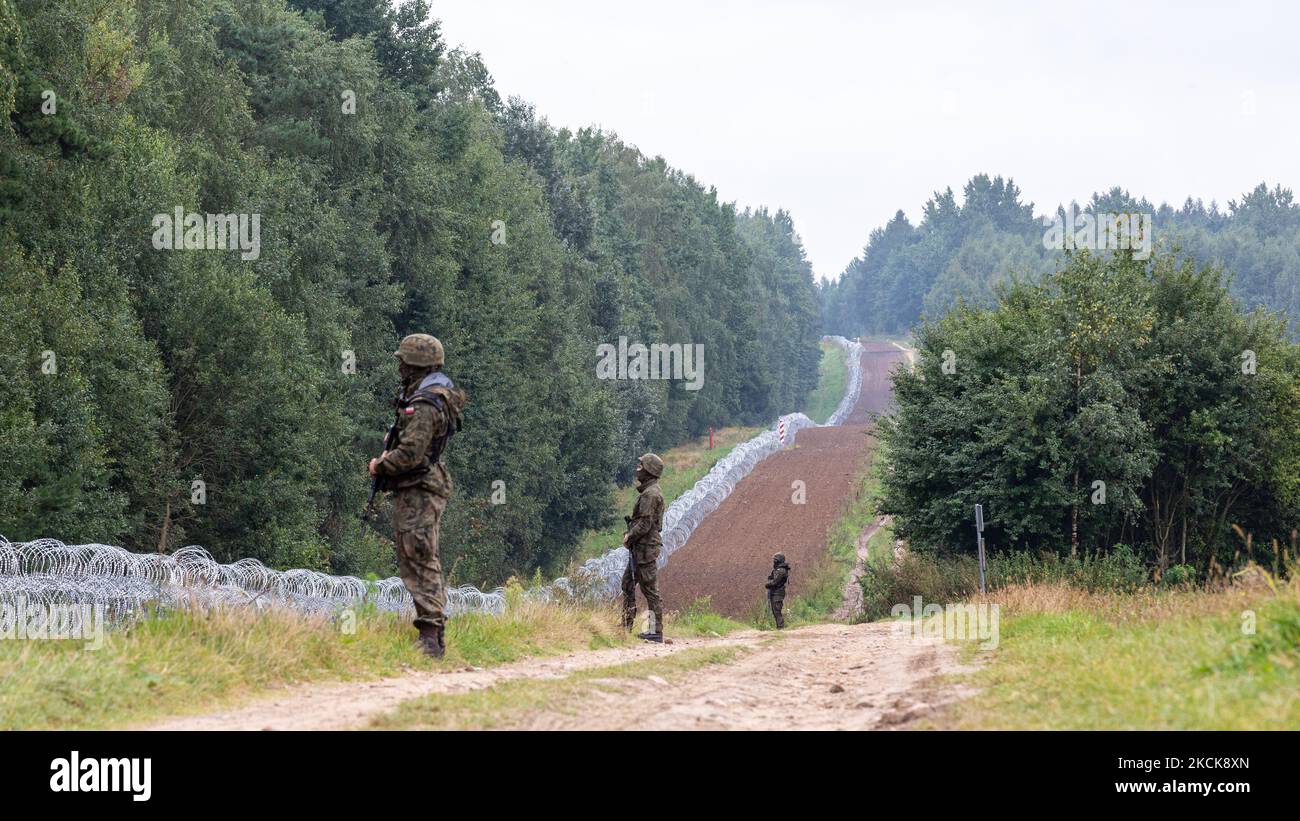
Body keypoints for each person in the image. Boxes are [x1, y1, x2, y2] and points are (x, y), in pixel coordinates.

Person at [369, 333, 467, 658]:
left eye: (403, 362)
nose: (400, 367)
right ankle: (432, 636)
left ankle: (430, 638)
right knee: (419, 558)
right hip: (421, 486)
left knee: (420, 558)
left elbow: (411, 453)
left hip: (420, 488)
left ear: (414, 364)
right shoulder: (428, 395)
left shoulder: (426, 403)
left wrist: (381, 466)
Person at [622, 452, 665, 642]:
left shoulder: (651, 494)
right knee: (628, 584)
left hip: (645, 549)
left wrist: (629, 536)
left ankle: (655, 631)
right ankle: (625, 625)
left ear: (649, 470)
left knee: (650, 591)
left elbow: (646, 523)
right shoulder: (649, 492)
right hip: (641, 548)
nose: (637, 469)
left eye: (640, 466)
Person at [766, 553, 790, 629]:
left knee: (777, 611)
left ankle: (780, 628)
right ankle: (779, 628)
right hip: (775, 592)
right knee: (775, 611)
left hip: (778, 593)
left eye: (775, 560)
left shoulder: (781, 571)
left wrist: (768, 584)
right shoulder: (779, 570)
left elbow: (774, 582)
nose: (774, 561)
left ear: (779, 560)